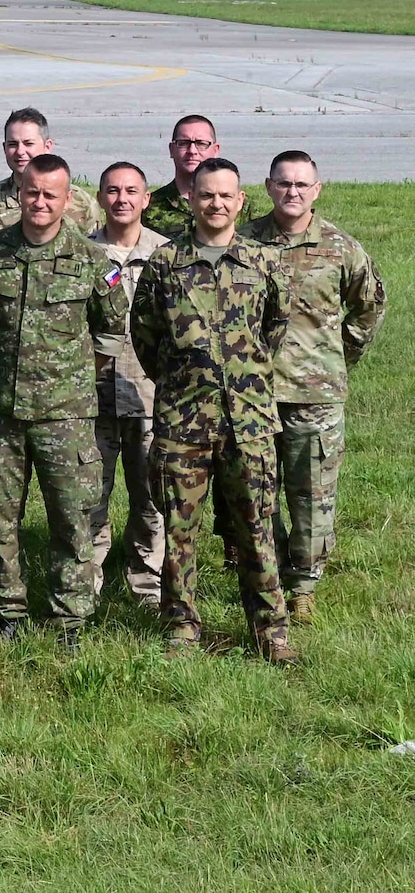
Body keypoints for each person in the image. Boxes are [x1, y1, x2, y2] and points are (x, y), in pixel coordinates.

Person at [131, 157, 296, 663]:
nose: (216, 204)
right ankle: (182, 624)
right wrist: (184, 383)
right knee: (180, 532)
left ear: (241, 199)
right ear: (190, 199)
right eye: (207, 195)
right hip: (183, 421)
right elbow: (145, 336)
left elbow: (275, 326)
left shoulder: (262, 261)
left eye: (226, 195)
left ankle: (271, 630)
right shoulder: (165, 263)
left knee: (256, 525)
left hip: (248, 422)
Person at [0, 155, 127, 645]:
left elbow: (111, 330)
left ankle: (70, 617)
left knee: (73, 518)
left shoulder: (93, 262)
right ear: (20, 191)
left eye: (51, 194)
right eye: (32, 192)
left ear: (67, 198)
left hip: (67, 416)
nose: (40, 202)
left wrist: (74, 380)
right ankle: (5, 612)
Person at [243, 150, 387, 624]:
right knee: (257, 494)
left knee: (312, 497)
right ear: (268, 187)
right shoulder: (245, 243)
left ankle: (303, 585)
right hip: (254, 394)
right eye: (284, 184)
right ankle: (268, 575)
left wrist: (339, 358)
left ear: (317, 190)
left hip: (315, 396)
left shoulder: (341, 248)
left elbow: (369, 305)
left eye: (302, 185)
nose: (293, 193)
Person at [89, 161, 168, 609]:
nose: (122, 199)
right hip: (93, 398)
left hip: (149, 396)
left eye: (131, 191)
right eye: (113, 191)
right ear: (100, 198)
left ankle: (148, 587)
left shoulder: (167, 254)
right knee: (90, 500)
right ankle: (88, 586)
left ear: (146, 199)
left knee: (151, 499)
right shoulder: (82, 255)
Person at [0, 108, 104, 233]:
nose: (20, 152)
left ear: (47, 146)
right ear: (4, 148)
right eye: (13, 144)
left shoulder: (81, 203)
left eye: (28, 144)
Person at [142, 114, 221, 240]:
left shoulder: (238, 206)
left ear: (216, 150)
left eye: (201, 143)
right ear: (172, 150)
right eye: (183, 143)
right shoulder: (148, 207)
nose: (192, 151)